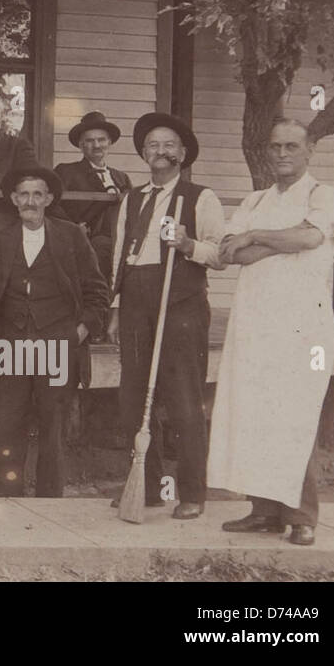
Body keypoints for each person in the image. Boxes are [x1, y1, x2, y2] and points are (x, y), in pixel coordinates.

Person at [207, 119, 334, 546]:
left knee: (294, 416)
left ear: (308, 151)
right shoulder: (255, 199)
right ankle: (264, 511)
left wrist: (257, 237)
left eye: (291, 146)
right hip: (255, 324)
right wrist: (266, 240)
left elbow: (310, 237)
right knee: (253, 412)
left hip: (306, 328)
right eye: (275, 147)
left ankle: (302, 516)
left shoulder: (326, 195)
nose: (282, 153)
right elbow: (234, 253)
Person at [0, 167, 108, 497]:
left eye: (38, 194)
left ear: (49, 199)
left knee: (53, 426)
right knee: (7, 423)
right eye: (24, 194)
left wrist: (80, 332)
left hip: (57, 343)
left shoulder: (70, 235)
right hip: (11, 343)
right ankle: (7, 495)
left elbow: (98, 291)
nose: (30, 201)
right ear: (13, 199)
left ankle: (49, 500)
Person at [108, 111, 224, 520]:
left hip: (181, 303)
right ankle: (149, 488)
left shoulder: (200, 197)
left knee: (184, 401)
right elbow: (122, 256)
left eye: (169, 144)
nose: (160, 150)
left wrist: (189, 243)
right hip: (137, 299)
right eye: (153, 144)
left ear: (183, 153)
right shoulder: (132, 199)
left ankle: (192, 492)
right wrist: (118, 308)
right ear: (143, 153)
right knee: (132, 400)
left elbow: (220, 253)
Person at [53, 111, 130, 280]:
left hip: (118, 241)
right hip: (85, 242)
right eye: (89, 140)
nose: (97, 145)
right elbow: (52, 205)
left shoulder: (121, 177)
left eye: (101, 140)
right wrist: (73, 228)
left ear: (109, 143)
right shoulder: (67, 171)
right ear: (81, 145)